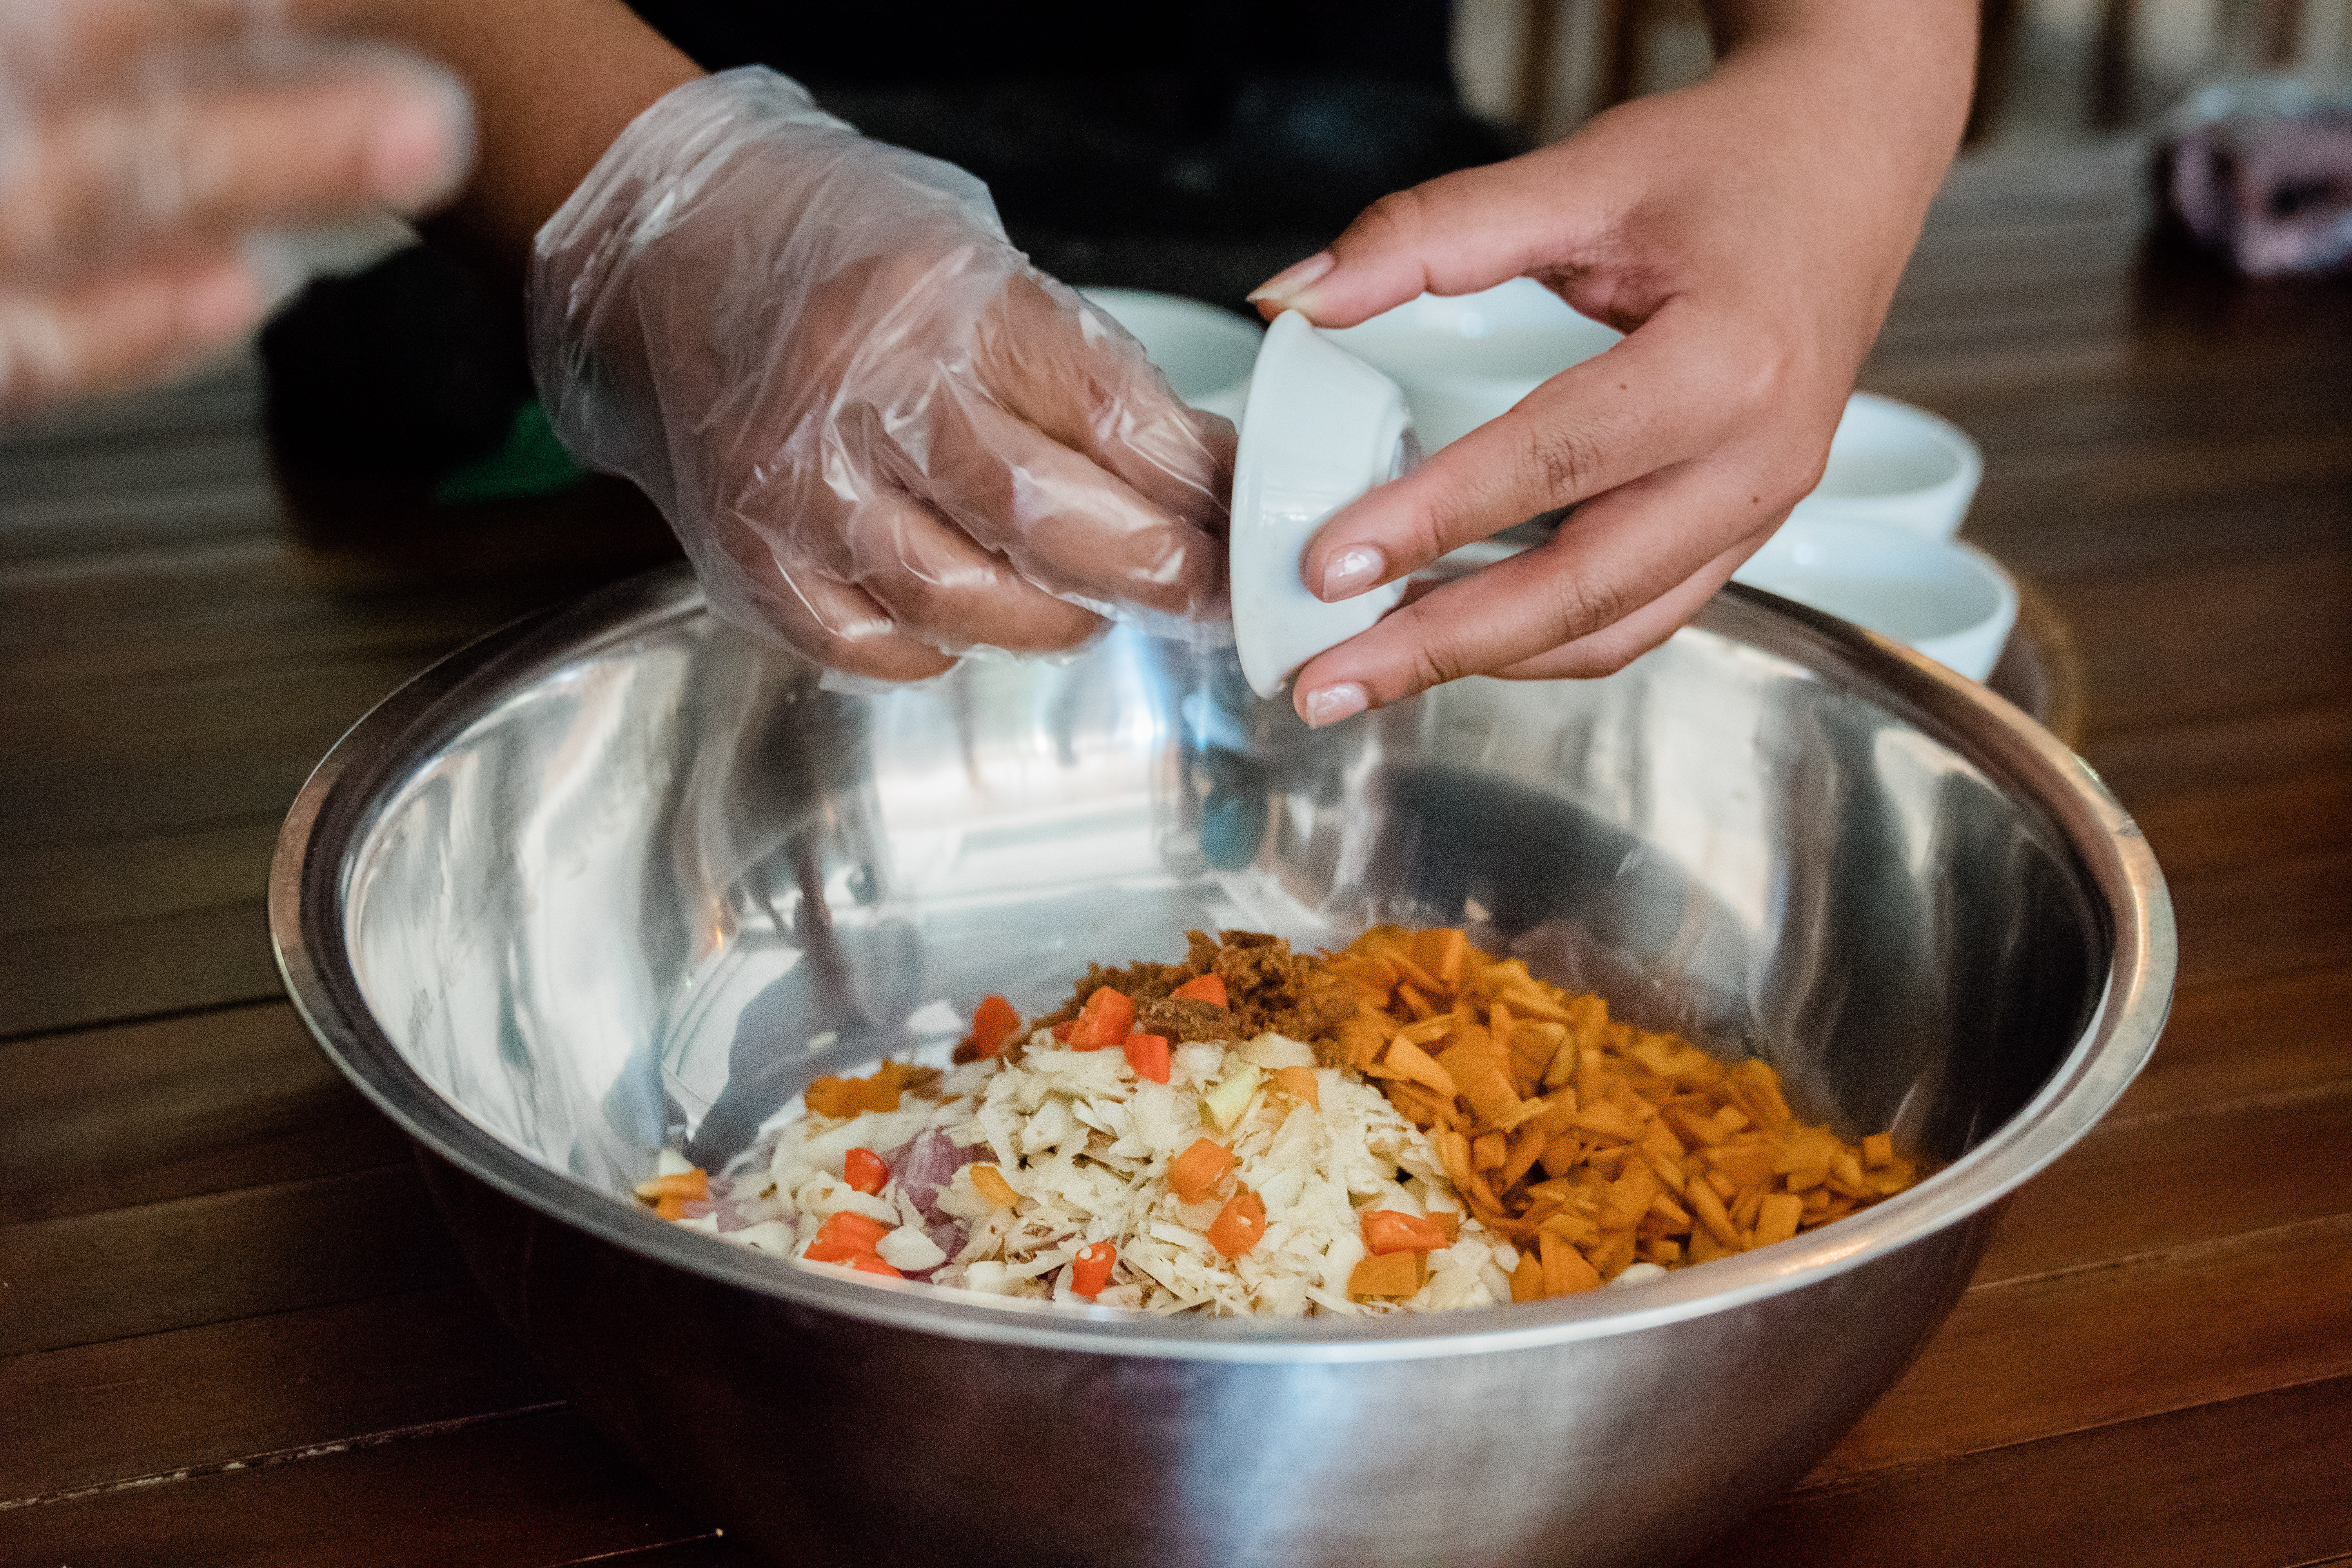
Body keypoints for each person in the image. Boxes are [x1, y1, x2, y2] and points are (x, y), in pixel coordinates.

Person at [0, 0, 1975, 723]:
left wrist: (1853, 93)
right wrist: (649, 195)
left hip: (1301, 161)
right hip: (560, 172)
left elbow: (1853, 63)